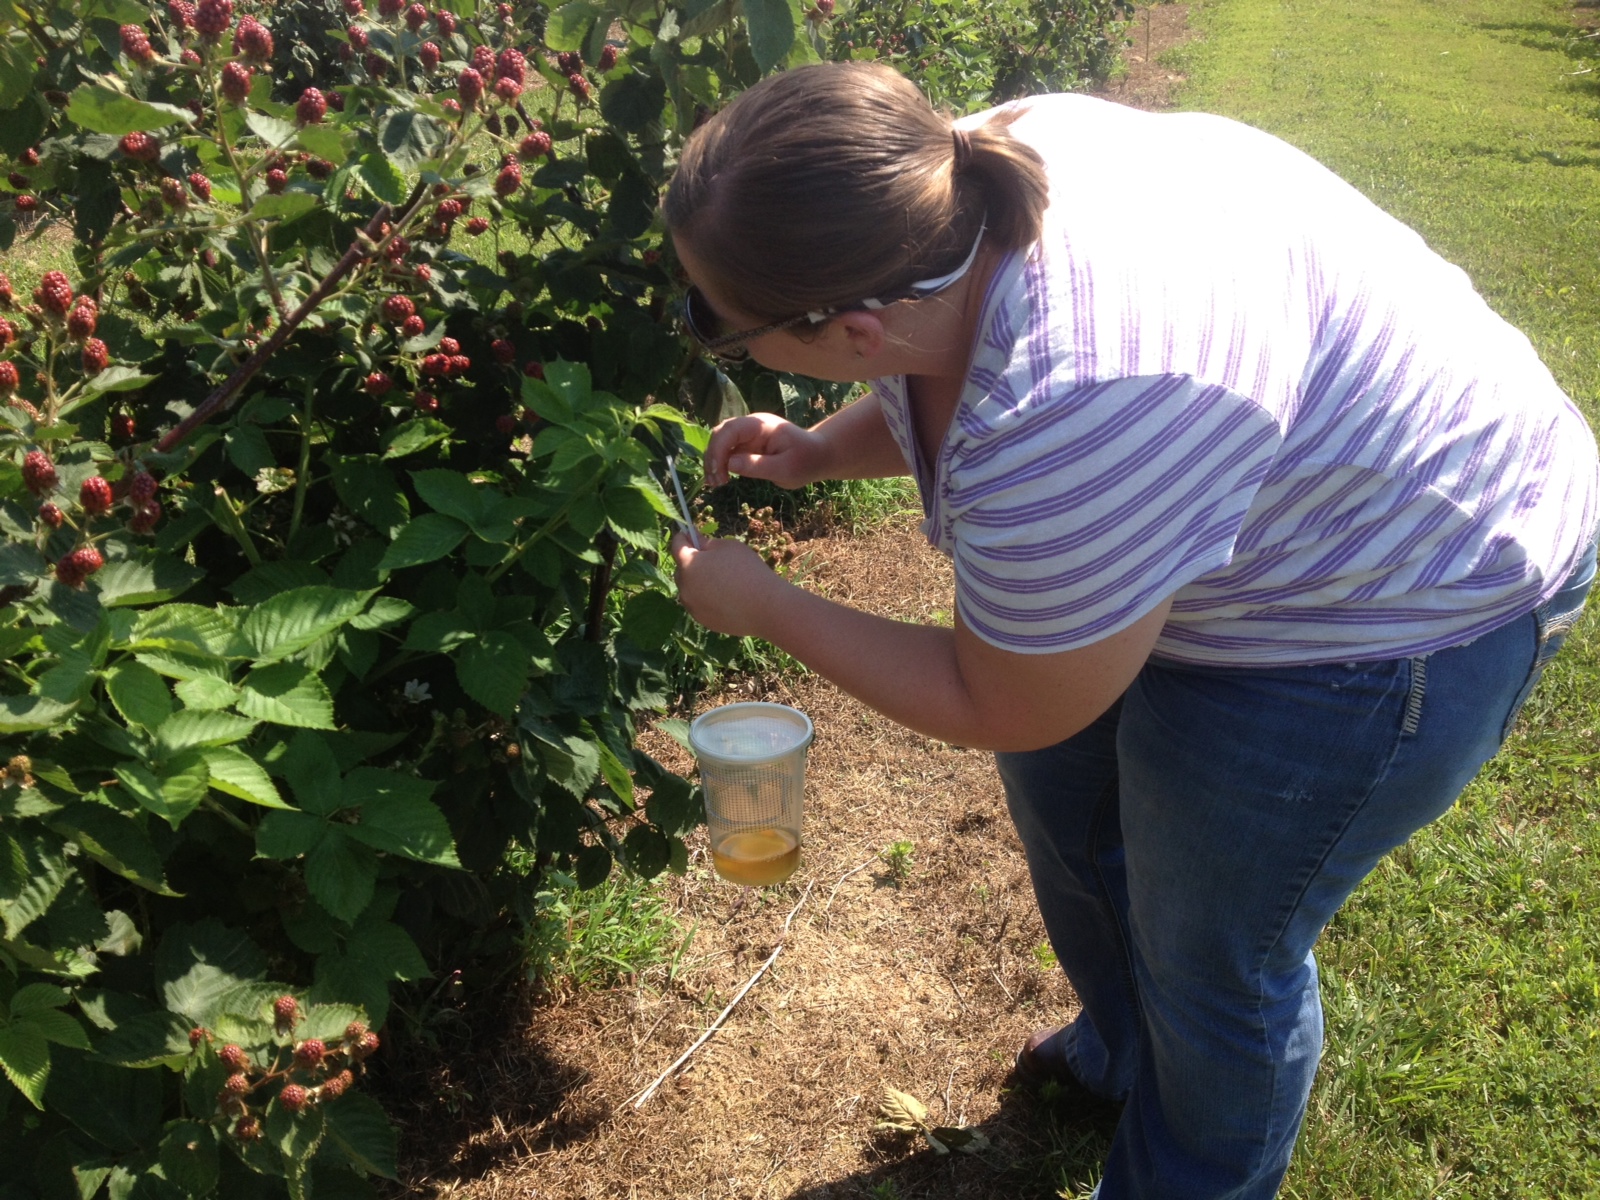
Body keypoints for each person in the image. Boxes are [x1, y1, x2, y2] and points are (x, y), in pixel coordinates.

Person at [662, 61, 1599, 1200]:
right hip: (1237, 501)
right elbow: (936, 355)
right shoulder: (967, 176)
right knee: (1071, 815)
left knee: (1218, 954)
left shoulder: (1086, 396)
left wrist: (768, 606)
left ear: (848, 326)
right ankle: (1123, 1050)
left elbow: (1003, 698)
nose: (701, 330)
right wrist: (820, 446)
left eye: (715, 323)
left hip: (1394, 597)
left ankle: (1188, 1172)